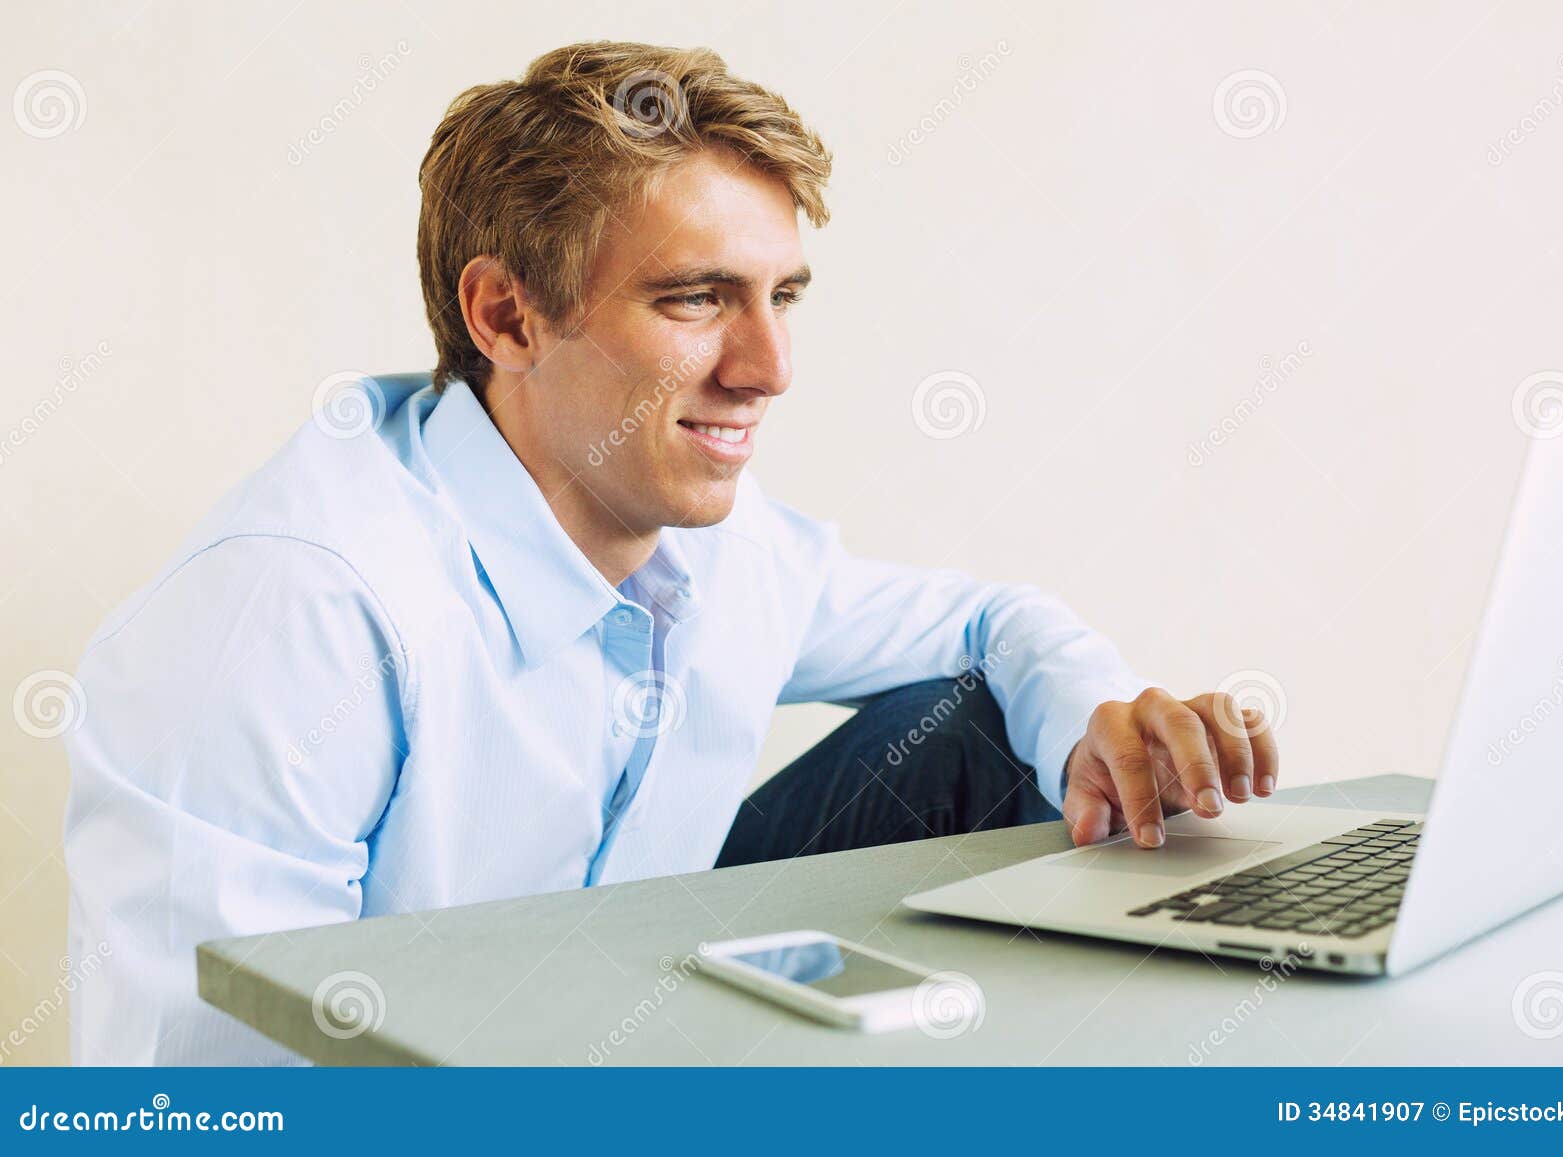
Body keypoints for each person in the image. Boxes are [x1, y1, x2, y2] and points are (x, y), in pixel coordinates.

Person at [63, 40, 1278, 1065]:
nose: (768, 368)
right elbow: (203, 1094)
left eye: (782, 296)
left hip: (622, 1034)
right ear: (507, 315)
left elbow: (990, 627)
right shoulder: (299, 606)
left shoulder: (717, 545)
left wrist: (1103, 718)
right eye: (697, 298)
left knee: (978, 727)